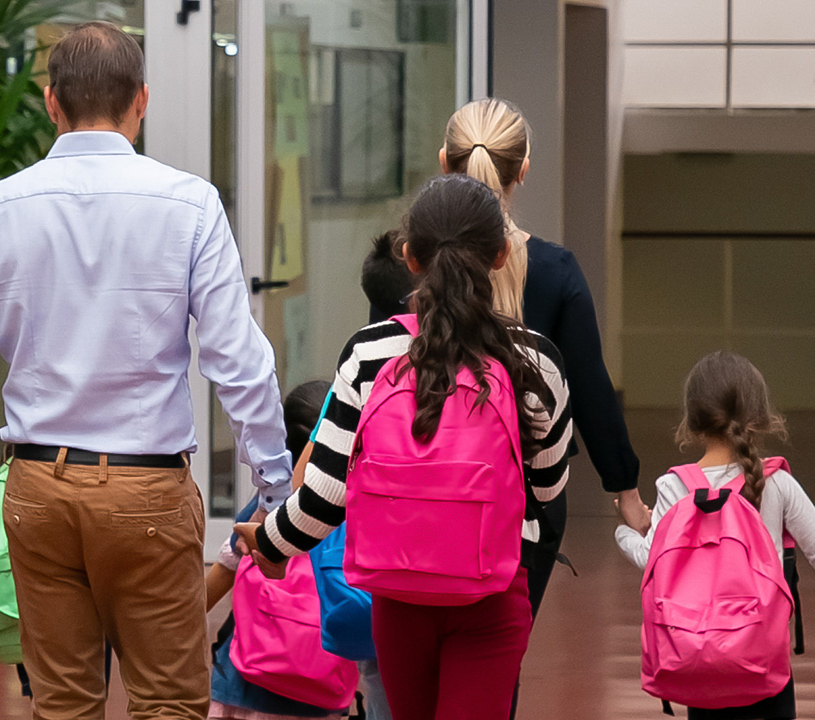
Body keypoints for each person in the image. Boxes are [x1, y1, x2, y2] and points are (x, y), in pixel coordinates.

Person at [0, 22, 292, 720]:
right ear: (141, 101)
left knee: (64, 704)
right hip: (148, 491)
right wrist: (276, 484)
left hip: (38, 490)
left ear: (51, 103)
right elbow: (237, 360)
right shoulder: (190, 205)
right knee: (168, 701)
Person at [237, 175, 574, 719]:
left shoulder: (369, 353)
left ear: (410, 257)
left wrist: (270, 545)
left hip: (398, 599)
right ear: (501, 255)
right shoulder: (537, 362)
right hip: (491, 596)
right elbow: (547, 486)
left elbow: (324, 497)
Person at [440, 97, 649, 613]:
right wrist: (624, 488)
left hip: (422, 485)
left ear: (444, 163)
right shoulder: (557, 272)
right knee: (495, 660)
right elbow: (589, 386)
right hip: (528, 498)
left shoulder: (415, 266)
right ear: (523, 171)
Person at [615, 351, 815, 719]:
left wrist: (626, 532)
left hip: (696, 656)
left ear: (692, 420)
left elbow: (649, 558)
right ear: (758, 416)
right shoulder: (777, 483)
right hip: (763, 657)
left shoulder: (675, 486)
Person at [206, 381, 345, 720]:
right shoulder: (351, 515)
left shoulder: (264, 512)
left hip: (247, 681)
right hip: (321, 687)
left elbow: (215, 583)